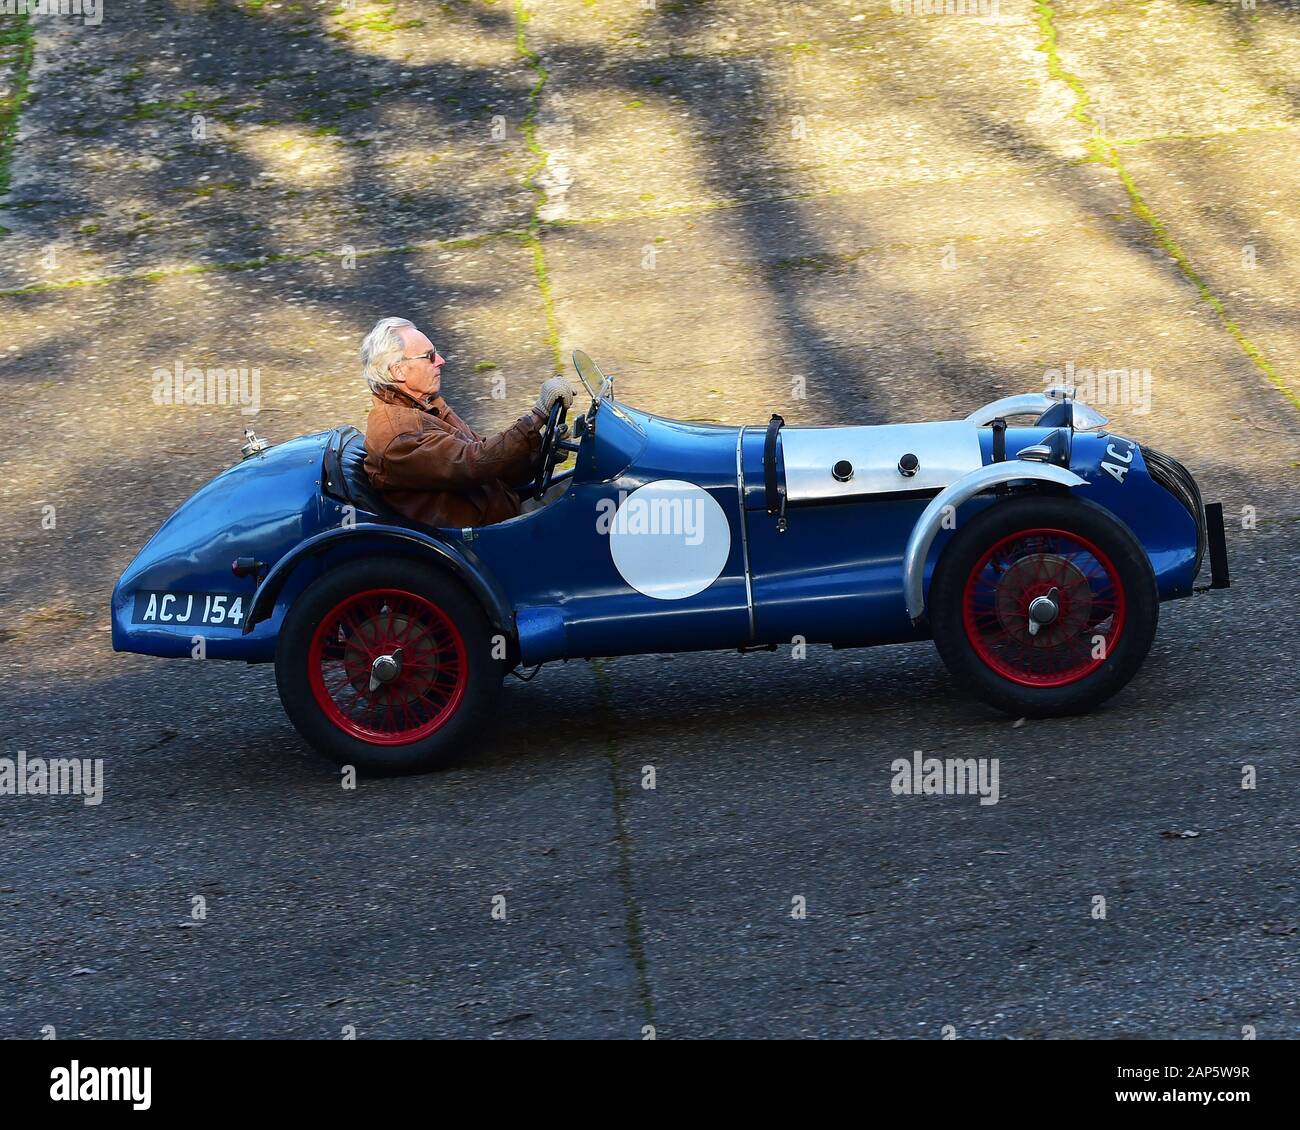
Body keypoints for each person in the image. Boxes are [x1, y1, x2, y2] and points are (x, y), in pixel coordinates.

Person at [360, 316, 574, 528]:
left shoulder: (425, 406)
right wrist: (537, 416)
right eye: (429, 356)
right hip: (488, 535)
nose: (441, 361)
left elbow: (488, 458)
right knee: (589, 502)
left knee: (588, 484)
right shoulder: (398, 434)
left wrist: (540, 456)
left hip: (501, 513)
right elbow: (473, 462)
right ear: (399, 370)